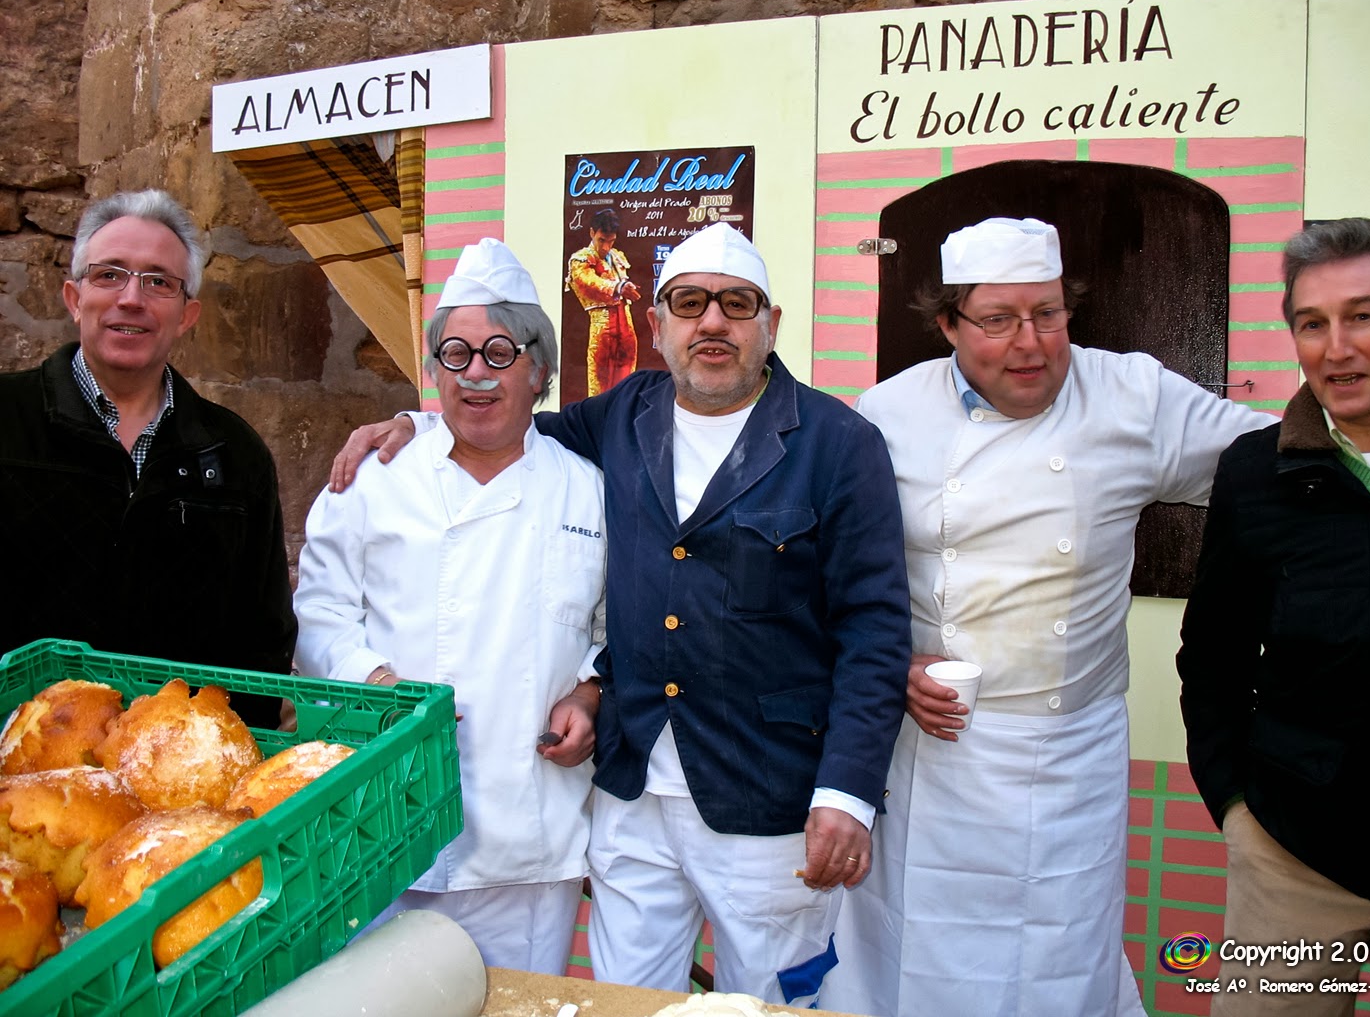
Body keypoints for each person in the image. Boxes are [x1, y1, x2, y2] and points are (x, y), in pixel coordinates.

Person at [331, 222, 911, 1005]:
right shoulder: (626, 412)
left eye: (736, 304)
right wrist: (417, 422)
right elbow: (505, 424)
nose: (712, 321)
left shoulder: (839, 443)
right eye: (689, 303)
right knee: (625, 1000)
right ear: (657, 325)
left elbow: (874, 628)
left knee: (766, 1004)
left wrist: (844, 792)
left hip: (768, 799)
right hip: (631, 794)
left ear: (771, 323)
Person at [821, 217, 1270, 1017]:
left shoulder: (1133, 395)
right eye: (997, 319)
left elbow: (1275, 460)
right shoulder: (888, 411)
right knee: (918, 959)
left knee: (1060, 962)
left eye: (1048, 313)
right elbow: (838, 570)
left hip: (1069, 752)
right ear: (948, 323)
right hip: (932, 748)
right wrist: (892, 664)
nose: (1029, 342)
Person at [293, 238, 606, 974]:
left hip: (527, 838)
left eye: (499, 352)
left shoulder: (587, 488)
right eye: (455, 354)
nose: (476, 374)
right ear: (433, 370)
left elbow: (608, 626)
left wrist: (590, 693)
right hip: (382, 816)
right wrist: (376, 683)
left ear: (539, 369)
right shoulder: (373, 477)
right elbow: (319, 610)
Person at [1177, 219, 1370, 1014]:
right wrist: (1235, 809)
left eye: (1361, 316)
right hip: (1291, 858)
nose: (1335, 348)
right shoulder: (1255, 473)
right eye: (1311, 324)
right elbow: (1211, 654)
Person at [0, 189, 295, 727]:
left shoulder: (235, 454)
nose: (132, 298)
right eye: (109, 275)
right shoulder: (7, 421)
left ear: (187, 315)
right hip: (21, 754)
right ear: (74, 298)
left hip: (177, 763)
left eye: (159, 282)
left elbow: (262, 638)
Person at [566, 207, 641, 395]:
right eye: (602, 240)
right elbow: (588, 282)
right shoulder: (581, 259)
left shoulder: (617, 257)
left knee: (626, 379)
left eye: (611, 241)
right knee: (600, 381)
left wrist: (627, 287)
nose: (606, 247)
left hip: (625, 325)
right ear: (592, 233)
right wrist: (619, 287)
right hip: (601, 327)